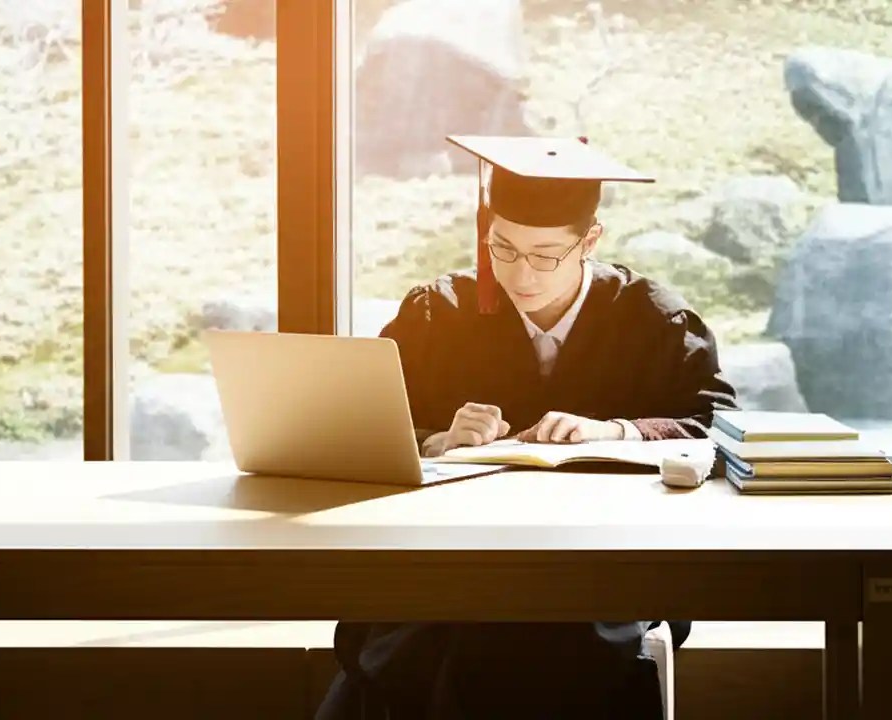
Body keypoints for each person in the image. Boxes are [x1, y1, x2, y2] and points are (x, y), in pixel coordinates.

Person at [316, 135, 738, 720]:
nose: (521, 273)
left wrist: (613, 432)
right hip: (451, 555)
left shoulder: (651, 319)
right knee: (431, 633)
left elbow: (713, 425)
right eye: (502, 248)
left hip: (602, 561)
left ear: (590, 240)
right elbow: (354, 424)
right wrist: (435, 439)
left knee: (543, 639)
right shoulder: (439, 314)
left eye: (546, 255)